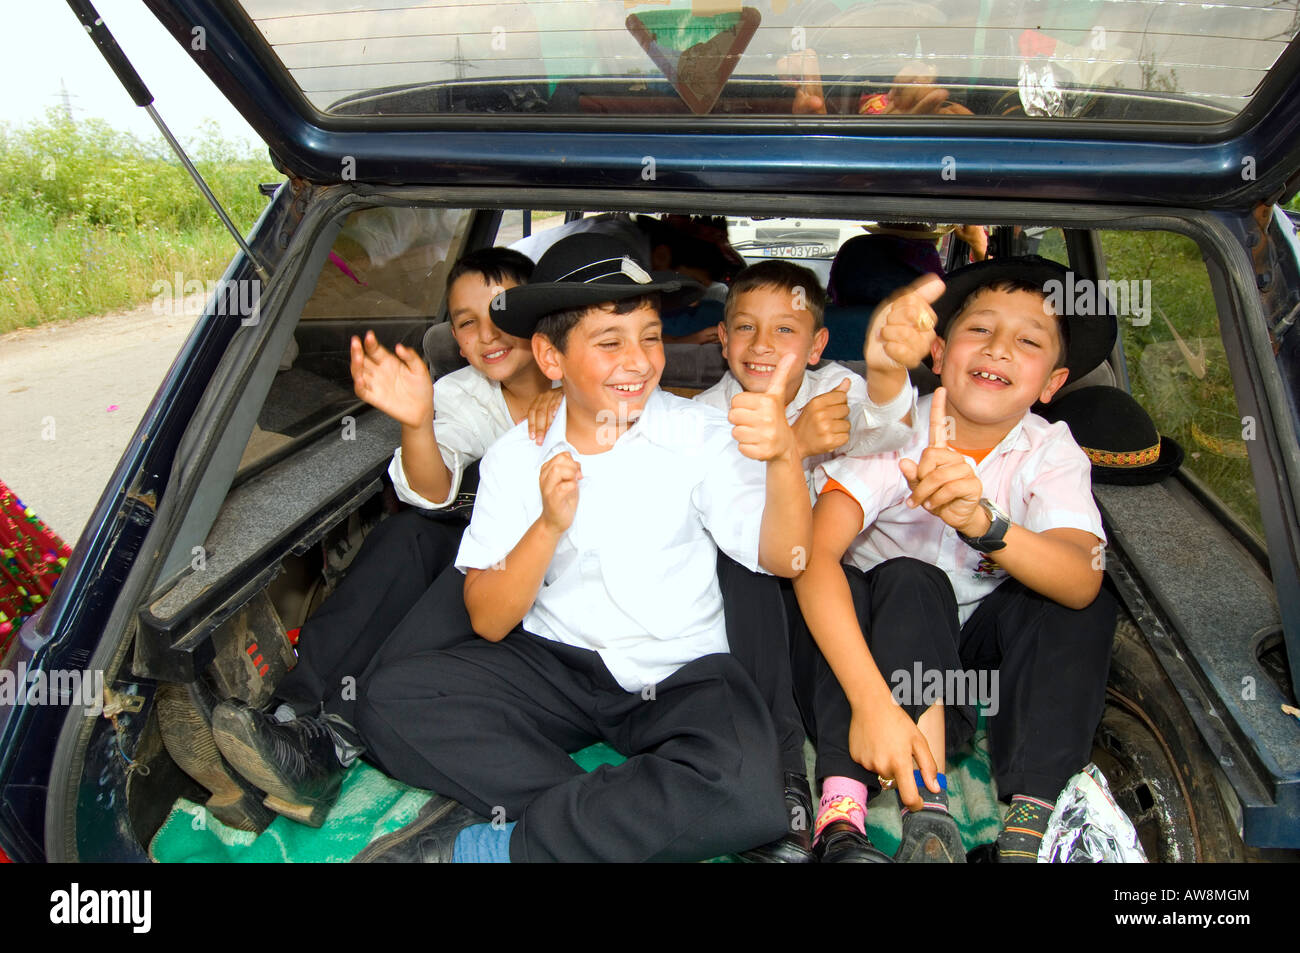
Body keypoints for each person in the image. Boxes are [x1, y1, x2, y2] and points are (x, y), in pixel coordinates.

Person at [212, 233, 813, 862]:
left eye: (652, 336)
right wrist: (547, 527)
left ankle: (521, 842)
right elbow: (489, 617)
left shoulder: (704, 435)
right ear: (551, 358)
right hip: (557, 666)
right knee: (389, 703)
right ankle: (617, 819)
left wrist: (782, 459)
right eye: (610, 343)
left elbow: (781, 558)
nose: (638, 361)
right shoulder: (515, 456)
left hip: (681, 672)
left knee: (751, 792)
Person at [164, 248, 557, 831]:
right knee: (409, 535)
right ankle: (291, 716)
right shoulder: (466, 393)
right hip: (489, 547)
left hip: (551, 576)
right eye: (466, 322)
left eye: (502, 312)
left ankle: (332, 743)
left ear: (541, 315)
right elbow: (431, 489)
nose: (487, 334)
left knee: (459, 575)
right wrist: (417, 421)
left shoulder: (594, 374)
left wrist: (571, 399)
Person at [792, 256, 1118, 863]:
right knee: (913, 579)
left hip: (976, 658)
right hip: (880, 639)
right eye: (980, 329)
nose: (998, 349)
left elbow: (1078, 581)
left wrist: (984, 524)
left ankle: (1031, 816)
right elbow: (813, 558)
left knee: (1085, 600)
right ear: (938, 355)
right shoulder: (895, 431)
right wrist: (872, 704)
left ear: (1051, 382)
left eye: (1027, 341)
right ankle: (928, 807)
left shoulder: (1051, 448)